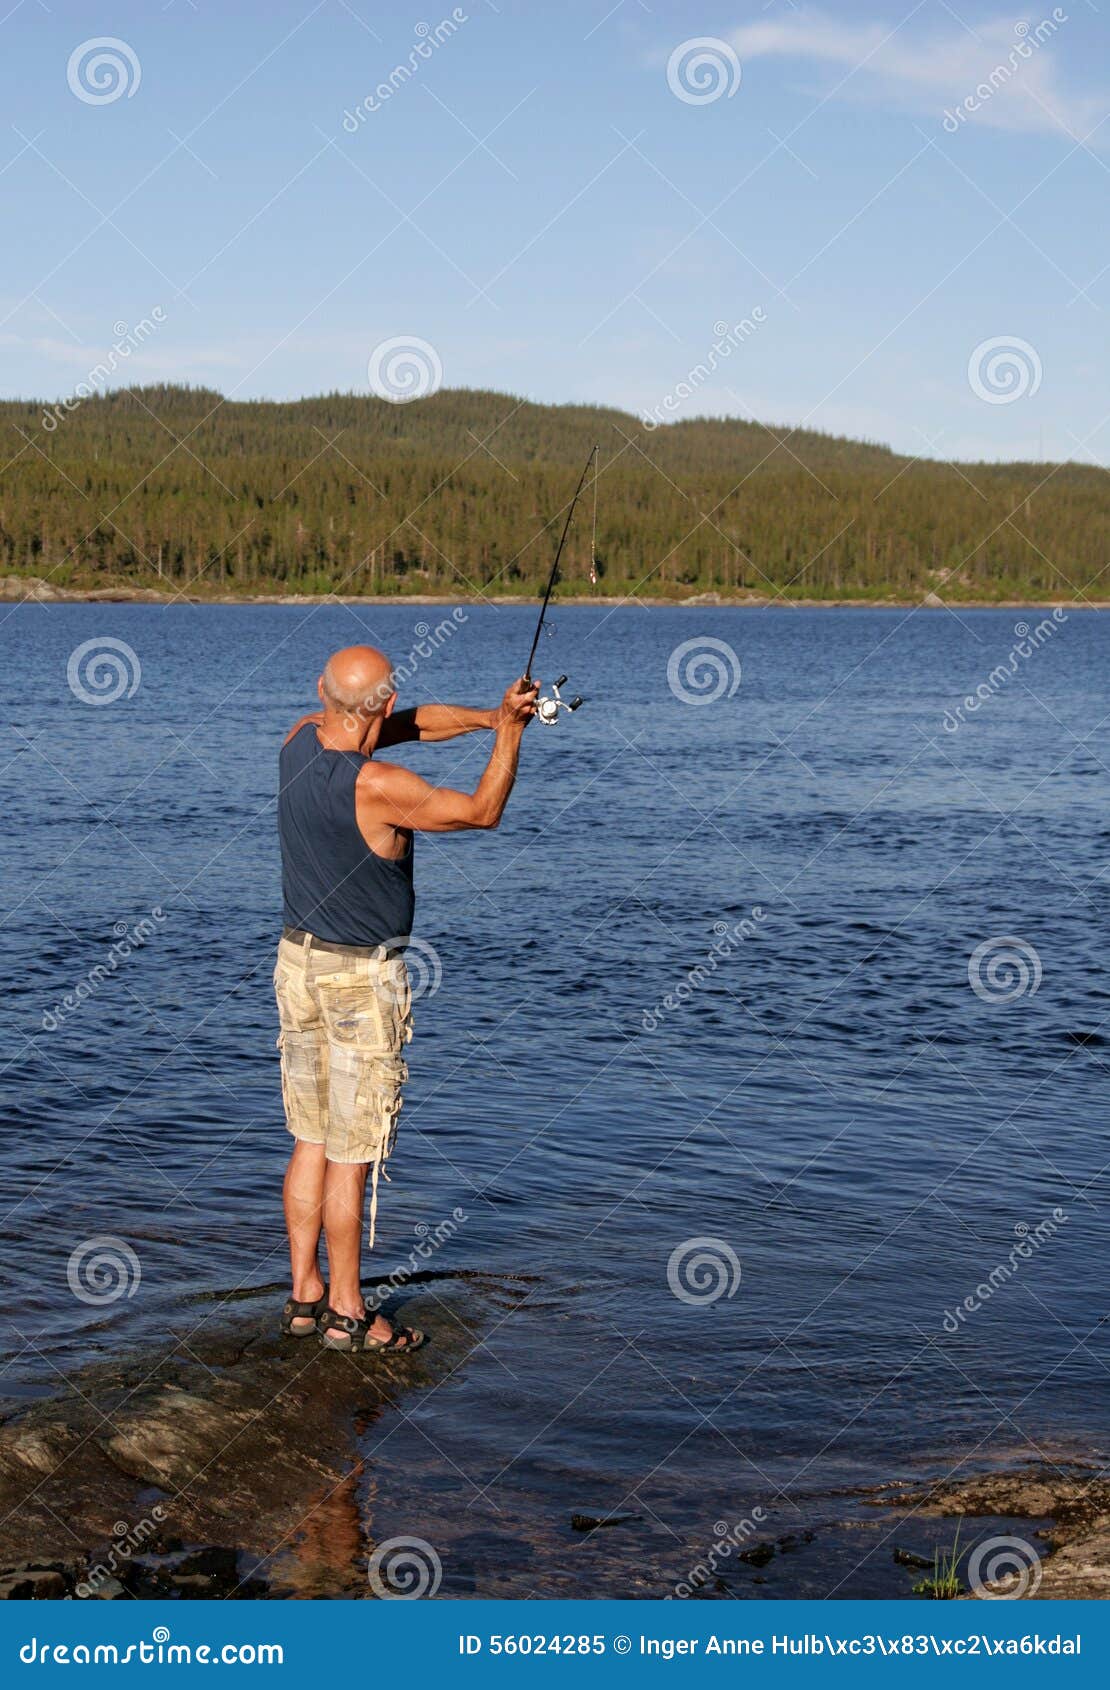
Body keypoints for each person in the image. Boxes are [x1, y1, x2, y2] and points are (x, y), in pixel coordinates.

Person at [274, 644, 538, 1353]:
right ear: (381, 705)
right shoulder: (380, 787)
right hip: (359, 982)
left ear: (321, 692)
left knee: (310, 1139)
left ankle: (304, 1295)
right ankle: (350, 1314)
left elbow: (401, 725)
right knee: (351, 1155)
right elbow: (481, 812)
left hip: (296, 964)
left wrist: (488, 715)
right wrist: (510, 735)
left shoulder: (298, 738)